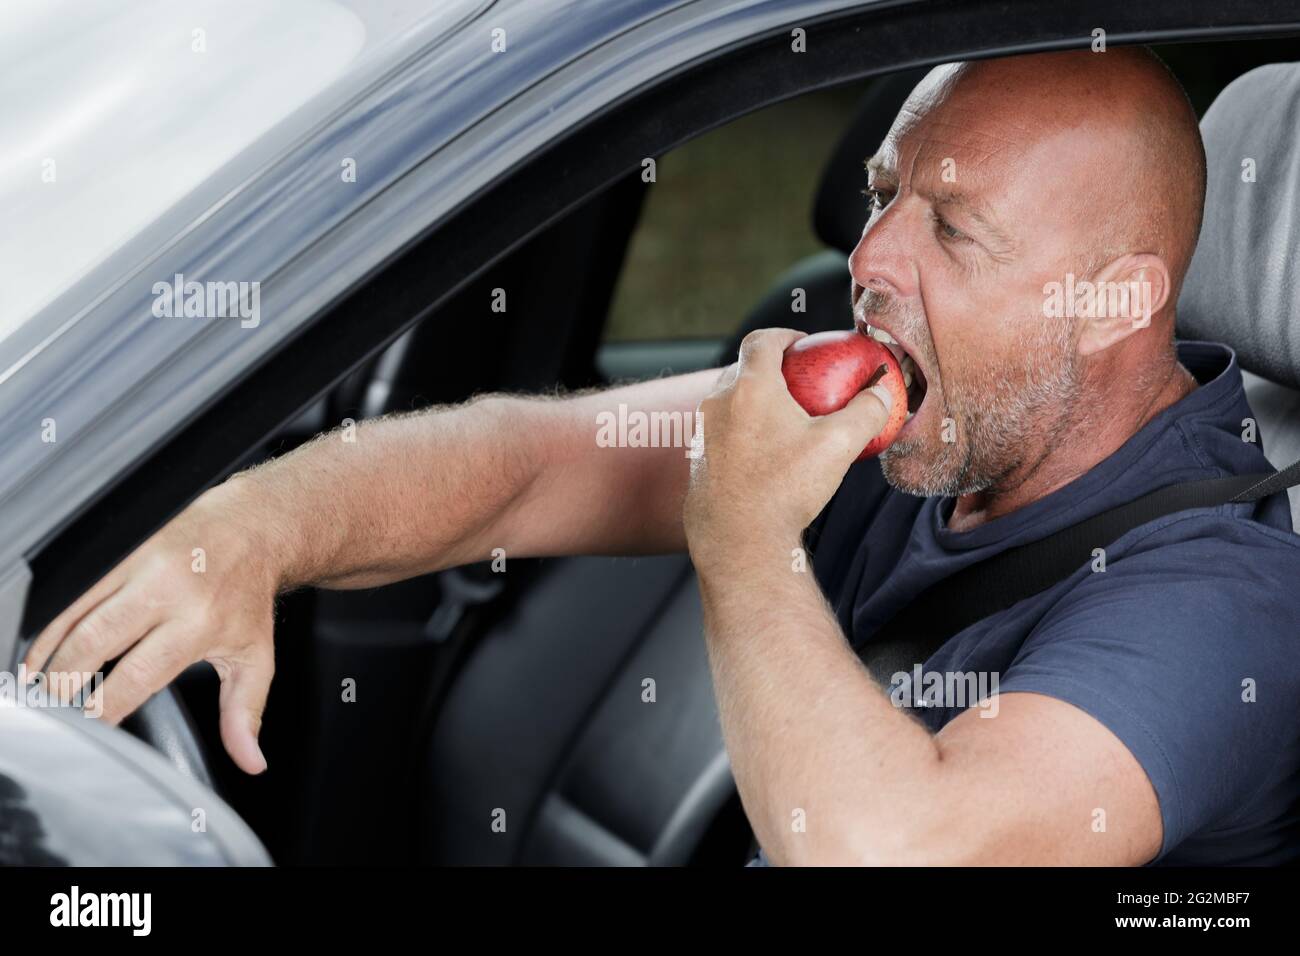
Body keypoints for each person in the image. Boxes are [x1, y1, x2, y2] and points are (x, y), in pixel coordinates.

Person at [26, 47, 1300, 865]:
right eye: (881, 194)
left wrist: (738, 531)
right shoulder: (920, 409)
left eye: (954, 232)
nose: (869, 266)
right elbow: (522, 462)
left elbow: (898, 851)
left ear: (1116, 302)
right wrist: (253, 529)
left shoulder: (1222, 605)